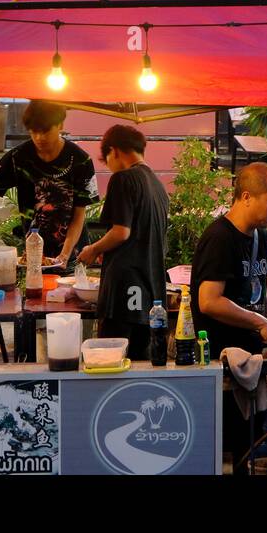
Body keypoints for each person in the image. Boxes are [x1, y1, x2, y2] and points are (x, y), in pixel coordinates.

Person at [192, 162, 267, 474]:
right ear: (247, 197)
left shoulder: (259, 238)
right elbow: (209, 301)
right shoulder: (219, 238)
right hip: (221, 360)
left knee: (247, 447)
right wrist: (260, 323)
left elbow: (262, 291)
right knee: (225, 449)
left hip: (251, 359)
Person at [0, 100, 98, 272]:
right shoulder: (18, 157)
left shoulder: (81, 161)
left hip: (73, 255)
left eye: (45, 131)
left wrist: (65, 255)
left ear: (60, 125)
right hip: (33, 256)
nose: (39, 138)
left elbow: (78, 215)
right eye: (34, 132)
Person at [77, 125, 168, 361]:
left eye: (107, 160)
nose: (109, 166)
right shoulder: (158, 186)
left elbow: (121, 232)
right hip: (150, 288)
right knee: (140, 359)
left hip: (124, 286)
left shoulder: (124, 179)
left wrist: (93, 249)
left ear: (114, 151)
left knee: (110, 358)